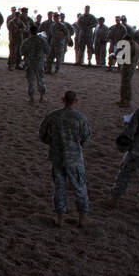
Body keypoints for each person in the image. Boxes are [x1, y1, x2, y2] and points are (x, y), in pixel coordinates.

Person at [39, 90, 92, 227]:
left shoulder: (52, 116)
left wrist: (53, 143)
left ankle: (60, 218)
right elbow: (86, 139)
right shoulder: (80, 118)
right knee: (79, 187)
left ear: (63, 100)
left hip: (57, 157)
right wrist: (77, 146)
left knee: (59, 187)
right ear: (76, 101)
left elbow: (42, 134)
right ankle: (82, 218)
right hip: (74, 158)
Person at [19, 24, 49, 104]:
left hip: (30, 63)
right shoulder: (42, 40)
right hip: (39, 63)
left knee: (31, 81)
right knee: (40, 80)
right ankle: (42, 97)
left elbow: (22, 52)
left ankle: (31, 98)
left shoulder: (27, 41)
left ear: (30, 31)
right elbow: (47, 51)